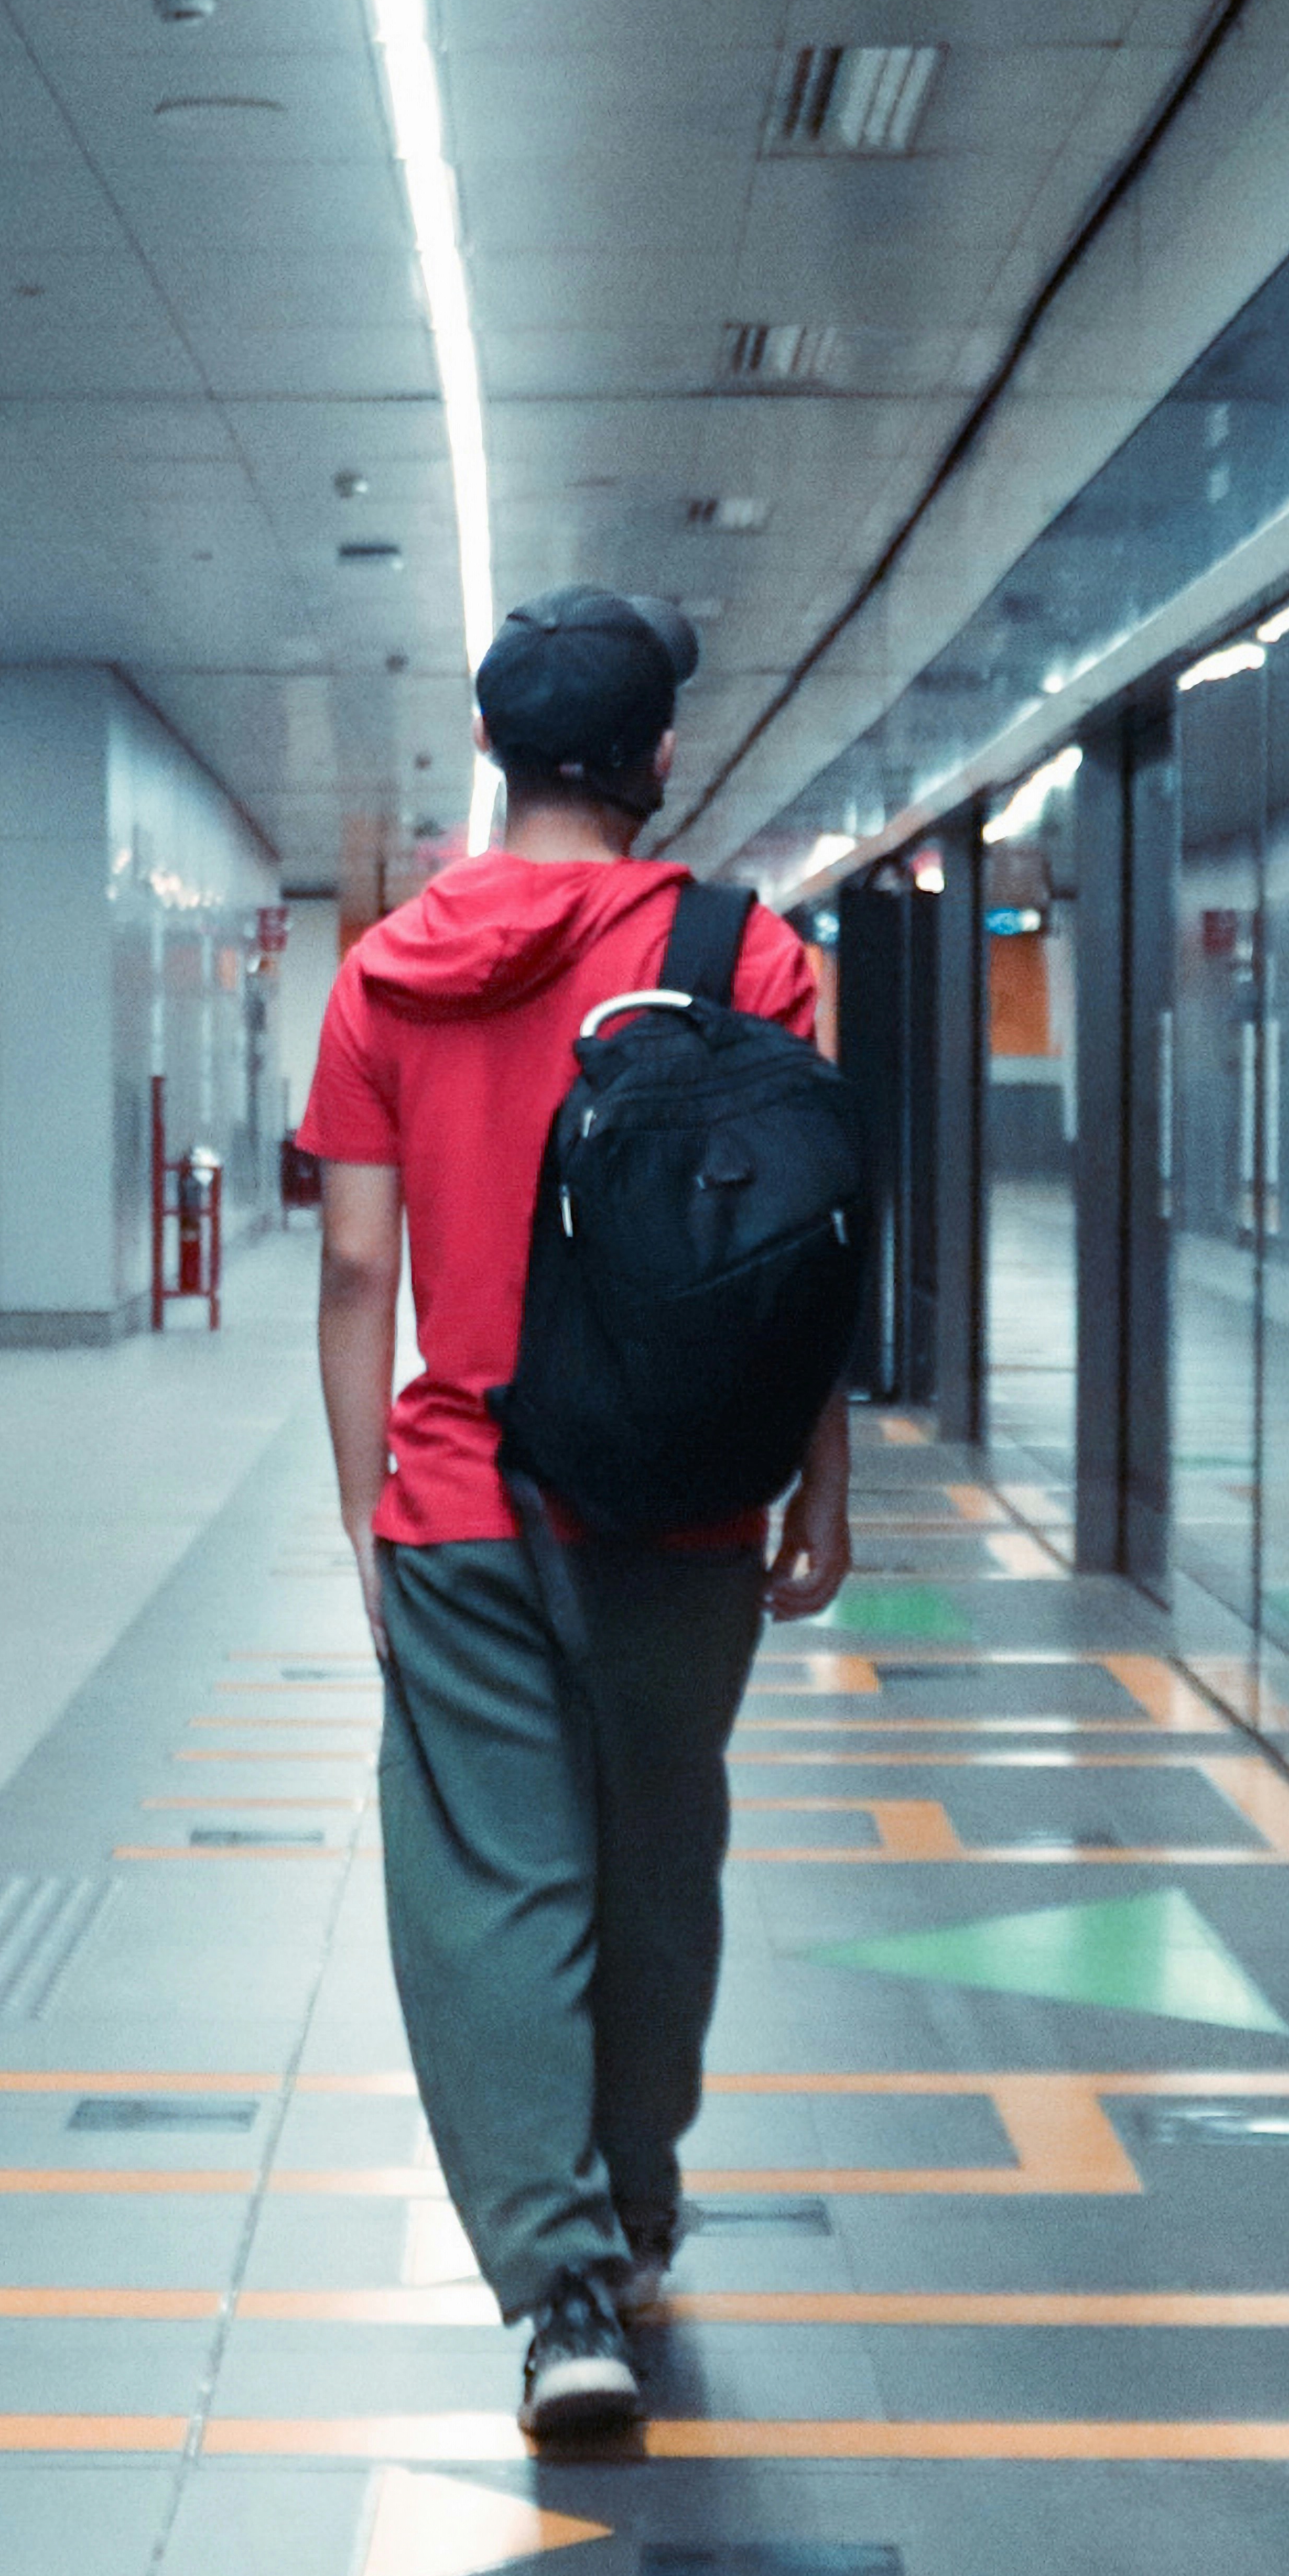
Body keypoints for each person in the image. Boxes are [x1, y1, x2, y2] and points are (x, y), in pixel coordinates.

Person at [295, 586, 853, 2441]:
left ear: (493, 751)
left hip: (462, 1499)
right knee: (657, 1862)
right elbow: (802, 1252)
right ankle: (643, 2203)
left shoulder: (388, 973)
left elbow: (356, 1268)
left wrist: (365, 1509)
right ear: (658, 757)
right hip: (686, 1506)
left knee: (493, 1887)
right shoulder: (744, 952)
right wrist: (822, 1484)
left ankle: (563, 2301)